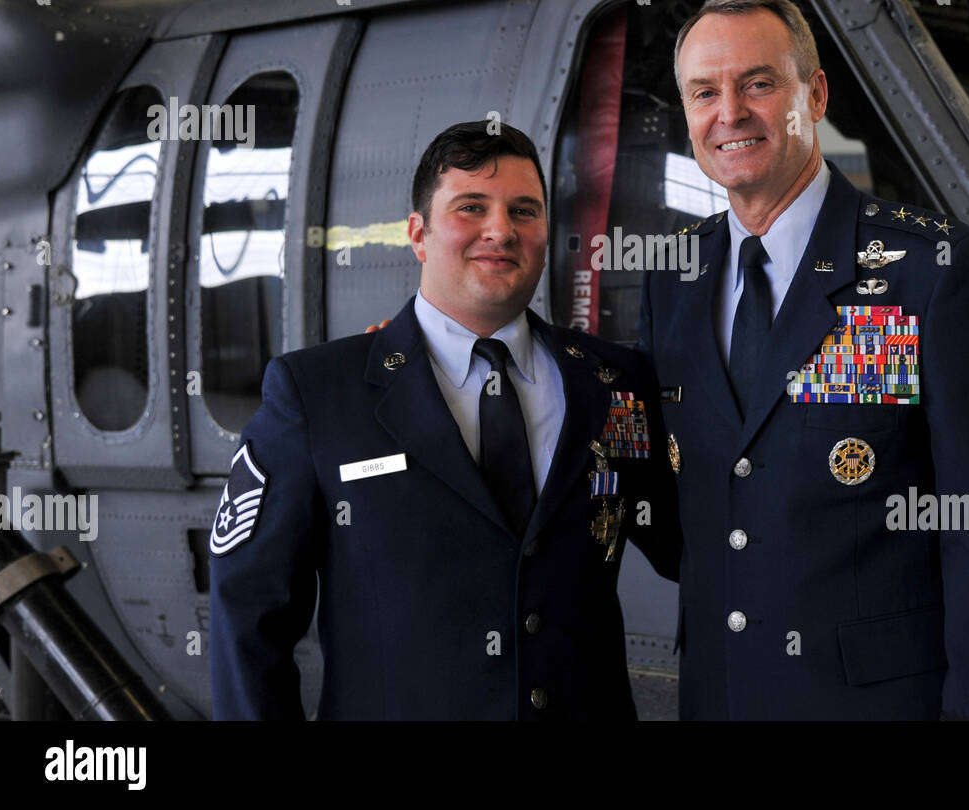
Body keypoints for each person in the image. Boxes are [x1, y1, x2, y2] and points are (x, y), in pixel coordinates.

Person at [637, 0, 969, 720]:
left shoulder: (934, 271)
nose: (729, 113)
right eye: (705, 91)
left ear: (815, 94)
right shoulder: (674, 279)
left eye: (758, 84)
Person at [209, 121, 680, 720]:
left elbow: (693, 544)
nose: (500, 230)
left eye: (524, 210)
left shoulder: (614, 384)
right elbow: (249, 615)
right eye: (471, 207)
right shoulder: (319, 394)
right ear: (418, 234)